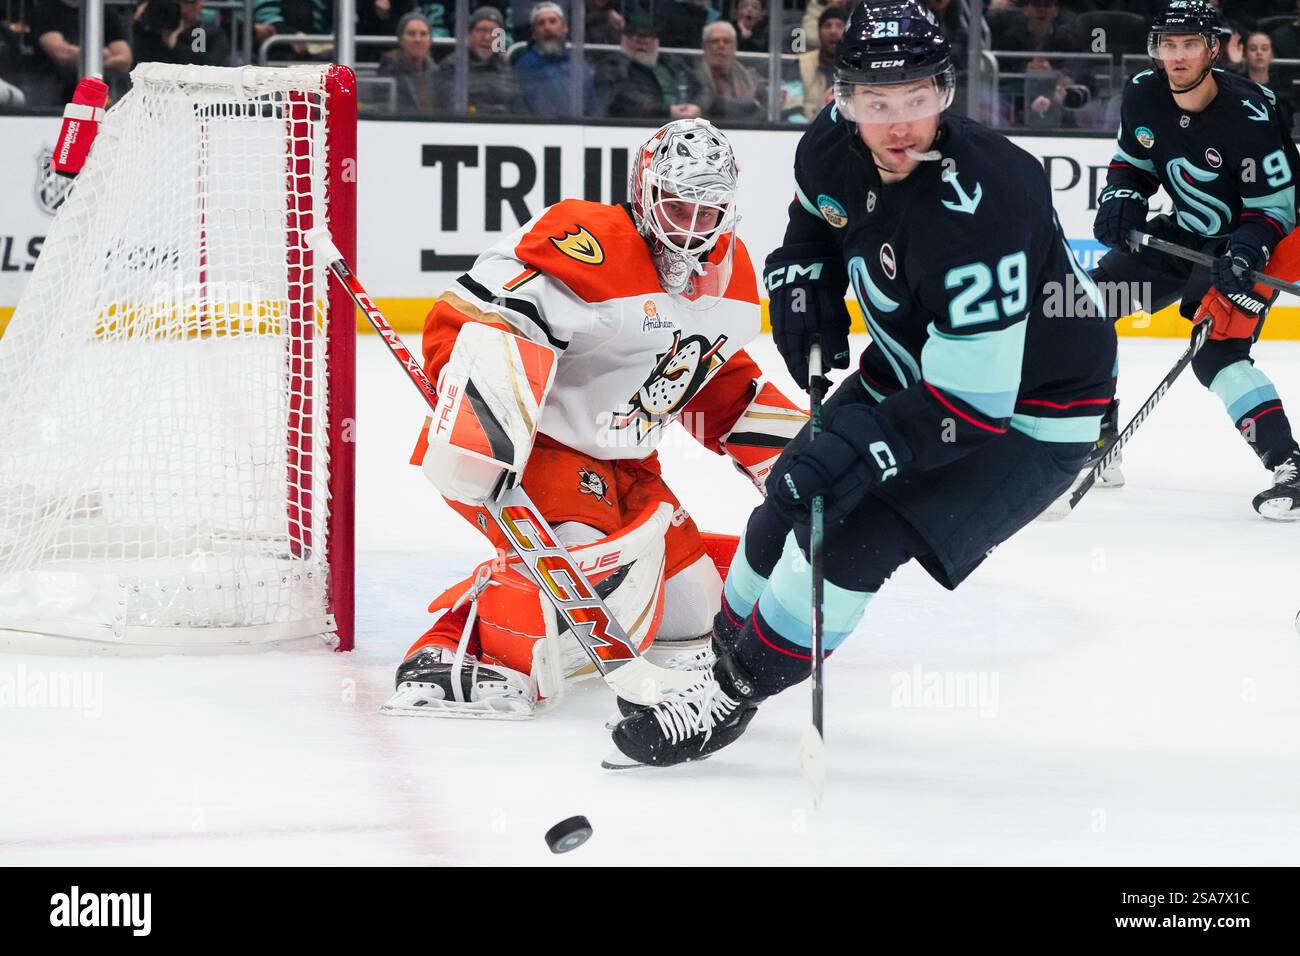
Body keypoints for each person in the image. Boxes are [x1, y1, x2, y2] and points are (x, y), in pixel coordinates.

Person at [605, 0, 1117, 768]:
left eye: (918, 99)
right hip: (915, 368)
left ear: (947, 93)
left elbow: (972, 405)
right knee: (789, 497)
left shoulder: (989, 199)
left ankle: (732, 693)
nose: (899, 123)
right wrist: (803, 276)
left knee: (849, 539)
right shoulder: (830, 148)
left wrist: (866, 448)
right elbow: (817, 213)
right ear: (842, 101)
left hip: (1030, 413)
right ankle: (722, 656)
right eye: (877, 103)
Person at [387, 119, 805, 718]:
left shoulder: (733, 277)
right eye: (676, 206)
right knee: (586, 578)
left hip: (632, 463)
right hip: (543, 452)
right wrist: (482, 413)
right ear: (644, 192)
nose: (689, 228)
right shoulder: (587, 240)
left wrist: (802, 460)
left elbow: (715, 386)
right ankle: (451, 646)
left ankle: (710, 564)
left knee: (696, 614)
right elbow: (469, 320)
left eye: (705, 211)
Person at [1089, 0, 1300, 519]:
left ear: (1211, 49)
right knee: (1085, 308)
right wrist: (1122, 197)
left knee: (1218, 354)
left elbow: (1276, 208)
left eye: (1188, 45)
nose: (1176, 56)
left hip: (1261, 248)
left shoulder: (1252, 112)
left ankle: (1290, 464)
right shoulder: (1143, 93)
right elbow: (1132, 164)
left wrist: (1247, 251)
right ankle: (1094, 440)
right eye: (1168, 44)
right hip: (1183, 235)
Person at [26, 0, 132, 106]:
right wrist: (104, 54)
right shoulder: (45, 11)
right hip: (51, 99)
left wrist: (88, 61)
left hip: (95, 99)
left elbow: (124, 60)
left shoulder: (103, 13)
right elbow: (62, 54)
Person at [595, 13, 701, 119]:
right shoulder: (611, 66)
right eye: (633, 36)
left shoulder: (675, 64)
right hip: (637, 127)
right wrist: (667, 111)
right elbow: (618, 99)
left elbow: (699, 88)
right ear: (624, 40)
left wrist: (697, 107)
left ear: (656, 41)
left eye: (648, 35)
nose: (641, 42)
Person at [514, 1, 597, 117]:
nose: (547, 27)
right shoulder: (523, 68)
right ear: (533, 33)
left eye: (552, 21)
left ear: (565, 27)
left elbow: (593, 109)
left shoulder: (580, 67)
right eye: (541, 23)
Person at [695, 20, 763, 120]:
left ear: (735, 47)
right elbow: (706, 103)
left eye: (726, 41)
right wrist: (752, 105)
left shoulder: (749, 77)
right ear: (704, 47)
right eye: (714, 41)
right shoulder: (693, 75)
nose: (721, 46)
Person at [133, 0, 232, 67]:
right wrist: (138, 22)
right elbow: (138, 65)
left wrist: (175, 45)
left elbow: (208, 65)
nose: (199, 5)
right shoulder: (152, 33)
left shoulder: (208, 34)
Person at [466, 6, 524, 115]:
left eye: (495, 32)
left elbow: (520, 110)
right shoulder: (452, 67)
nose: (487, 37)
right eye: (481, 30)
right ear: (469, 35)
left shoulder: (508, 70)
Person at [378, 11, 439, 113]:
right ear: (401, 40)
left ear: (430, 41)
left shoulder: (436, 73)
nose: (418, 39)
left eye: (423, 34)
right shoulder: (387, 72)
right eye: (411, 34)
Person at [798, 5, 847, 122]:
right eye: (827, 26)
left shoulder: (858, 67)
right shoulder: (802, 64)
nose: (833, 31)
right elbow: (792, 110)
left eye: (839, 26)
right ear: (819, 33)